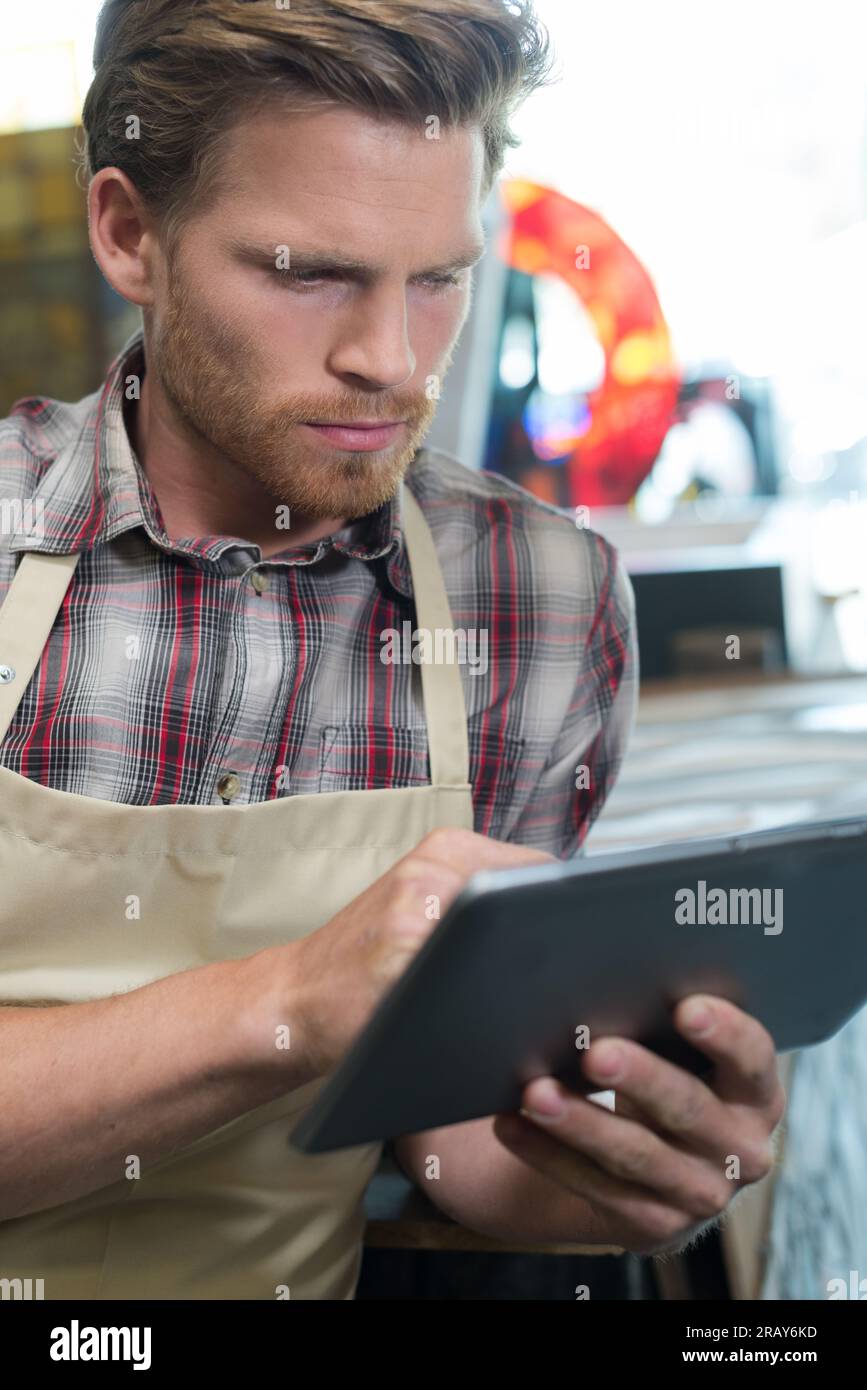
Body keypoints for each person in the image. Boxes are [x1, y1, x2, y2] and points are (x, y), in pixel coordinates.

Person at [0, 0, 784, 1300]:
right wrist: (295, 997)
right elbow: (325, 1008)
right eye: (306, 271)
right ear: (131, 233)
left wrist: (623, 1165)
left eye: (439, 277)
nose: (391, 362)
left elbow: (447, 1132)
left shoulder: (539, 600)